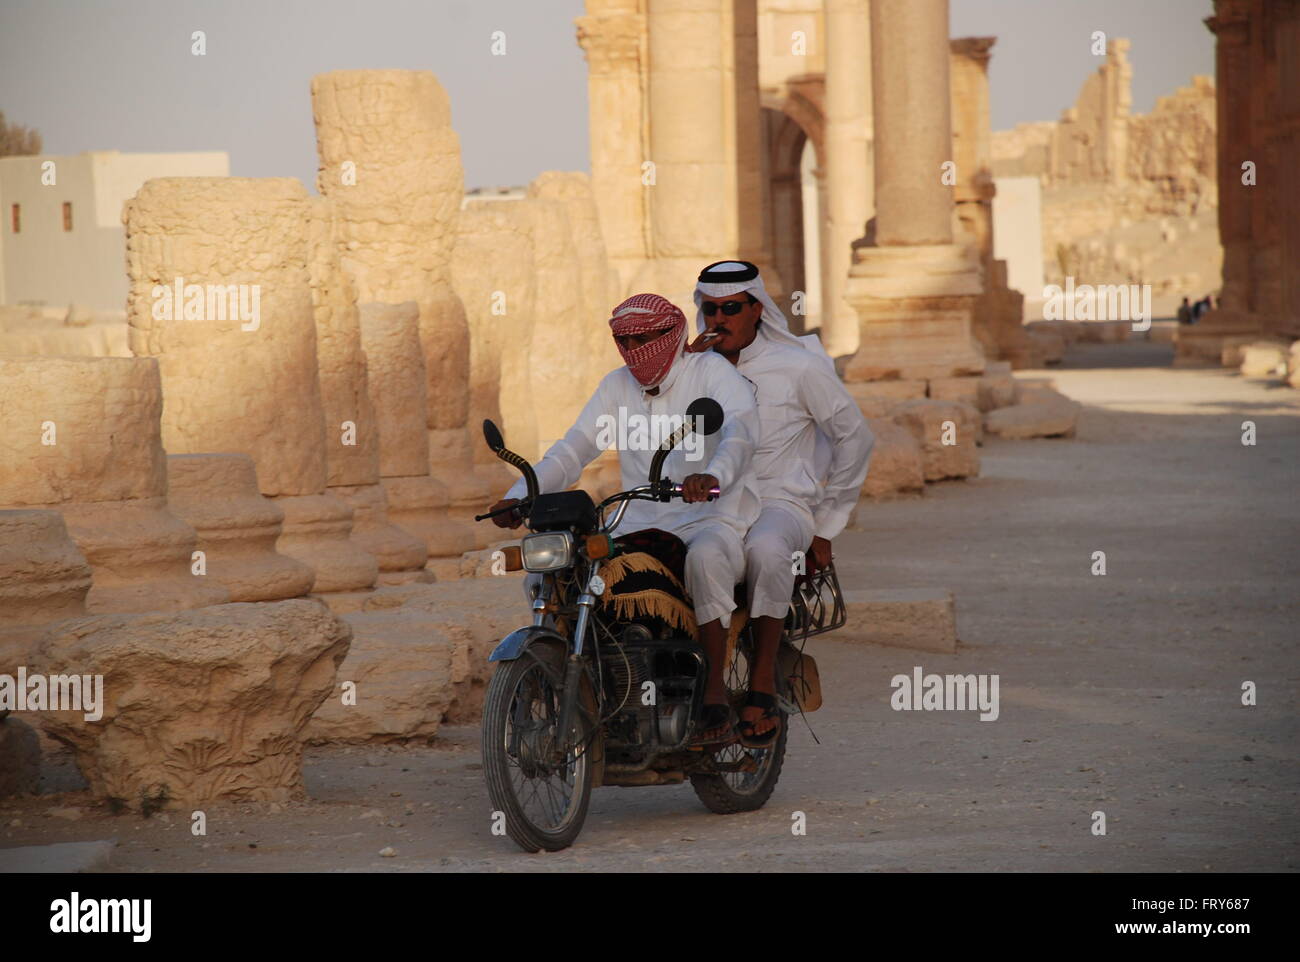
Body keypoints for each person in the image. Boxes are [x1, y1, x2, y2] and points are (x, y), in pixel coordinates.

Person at [487, 292, 761, 745]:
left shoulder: (711, 373)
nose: (637, 350)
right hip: (636, 520)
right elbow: (574, 447)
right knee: (557, 574)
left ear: (672, 334)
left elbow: (739, 433)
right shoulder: (616, 386)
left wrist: (712, 475)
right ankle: (597, 681)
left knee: (707, 560)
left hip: (709, 516)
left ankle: (713, 697)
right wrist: (519, 495)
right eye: (626, 341)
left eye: (647, 338)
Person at [688, 260, 873, 746]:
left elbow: (855, 438)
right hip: (716, 503)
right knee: (699, 556)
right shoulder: (694, 369)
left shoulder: (800, 366)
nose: (718, 320)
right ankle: (707, 689)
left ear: (757, 310)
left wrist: (828, 524)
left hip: (780, 500)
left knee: (770, 550)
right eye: (709, 309)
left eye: (731, 308)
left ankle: (764, 681)